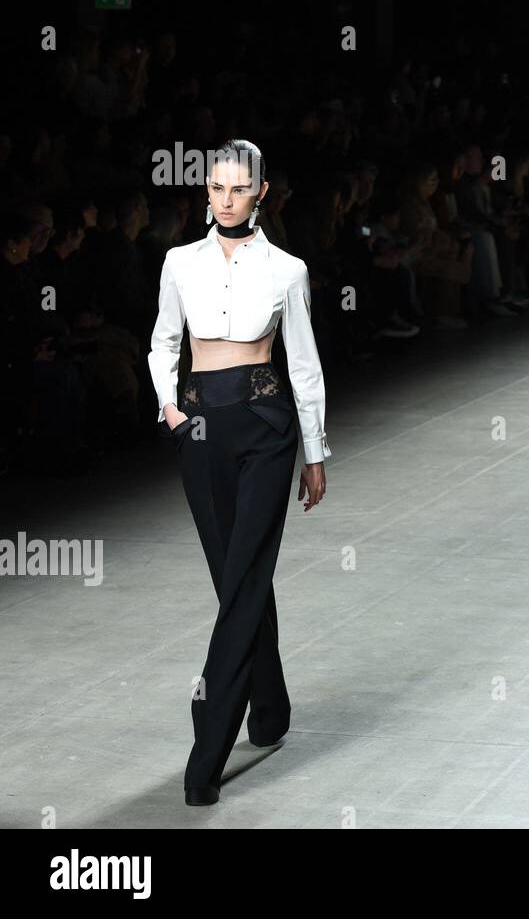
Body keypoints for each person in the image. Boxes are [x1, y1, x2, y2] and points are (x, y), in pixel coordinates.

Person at [147, 139, 330, 807]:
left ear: (262, 192)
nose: (227, 199)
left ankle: (207, 750)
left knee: (246, 573)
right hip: (198, 426)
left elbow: (302, 362)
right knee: (237, 576)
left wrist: (314, 452)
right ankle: (270, 705)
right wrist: (169, 408)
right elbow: (164, 341)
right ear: (206, 192)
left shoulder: (288, 270)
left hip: (265, 423)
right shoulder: (179, 262)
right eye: (217, 188)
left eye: (239, 188)